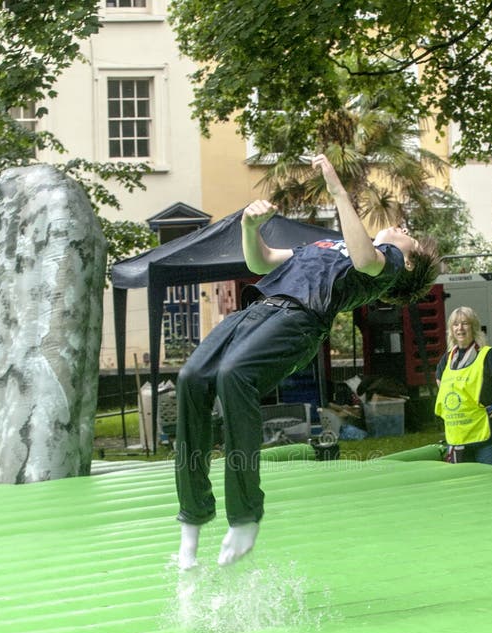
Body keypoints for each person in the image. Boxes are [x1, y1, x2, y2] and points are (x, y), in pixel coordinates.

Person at [176, 153, 440, 569]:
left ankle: (245, 515)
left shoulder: (386, 264)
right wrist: (249, 227)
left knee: (233, 376)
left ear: (408, 261)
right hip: (258, 311)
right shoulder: (327, 246)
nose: (403, 229)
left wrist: (337, 190)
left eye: (410, 237)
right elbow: (262, 262)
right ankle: (193, 515)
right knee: (191, 377)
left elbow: (364, 260)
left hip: (299, 321)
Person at [435, 306, 492, 466]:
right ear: (451, 329)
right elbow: (440, 381)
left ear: (474, 327)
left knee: (491, 484)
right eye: (455, 324)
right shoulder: (447, 359)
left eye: (465, 323)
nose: (460, 328)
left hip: (487, 436)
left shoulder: (489, 356)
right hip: (458, 437)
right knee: (466, 487)